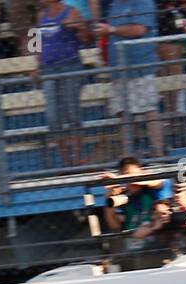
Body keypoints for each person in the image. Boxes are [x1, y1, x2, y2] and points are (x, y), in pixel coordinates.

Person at [97, 0, 162, 158]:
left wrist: (111, 30)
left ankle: (159, 154)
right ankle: (129, 156)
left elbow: (139, 29)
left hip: (141, 66)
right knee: (123, 113)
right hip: (119, 68)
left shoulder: (144, 3)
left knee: (149, 110)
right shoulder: (115, 5)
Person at [36, 0, 87, 167]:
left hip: (69, 66)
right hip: (48, 69)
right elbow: (36, 44)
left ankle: (77, 158)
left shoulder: (71, 11)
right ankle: (65, 160)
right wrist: (36, 64)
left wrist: (78, 26)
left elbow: (86, 38)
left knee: (72, 113)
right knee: (53, 117)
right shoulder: (40, 16)